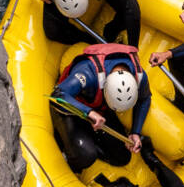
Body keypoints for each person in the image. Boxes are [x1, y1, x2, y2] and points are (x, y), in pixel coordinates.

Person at [50, 42, 149, 175]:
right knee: (85, 156)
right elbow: (57, 96)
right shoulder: (88, 72)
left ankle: (88, 138)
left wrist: (135, 132)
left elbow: (144, 99)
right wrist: (89, 113)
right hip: (72, 108)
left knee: (122, 157)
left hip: (100, 111)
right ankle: (68, 147)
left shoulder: (139, 76)